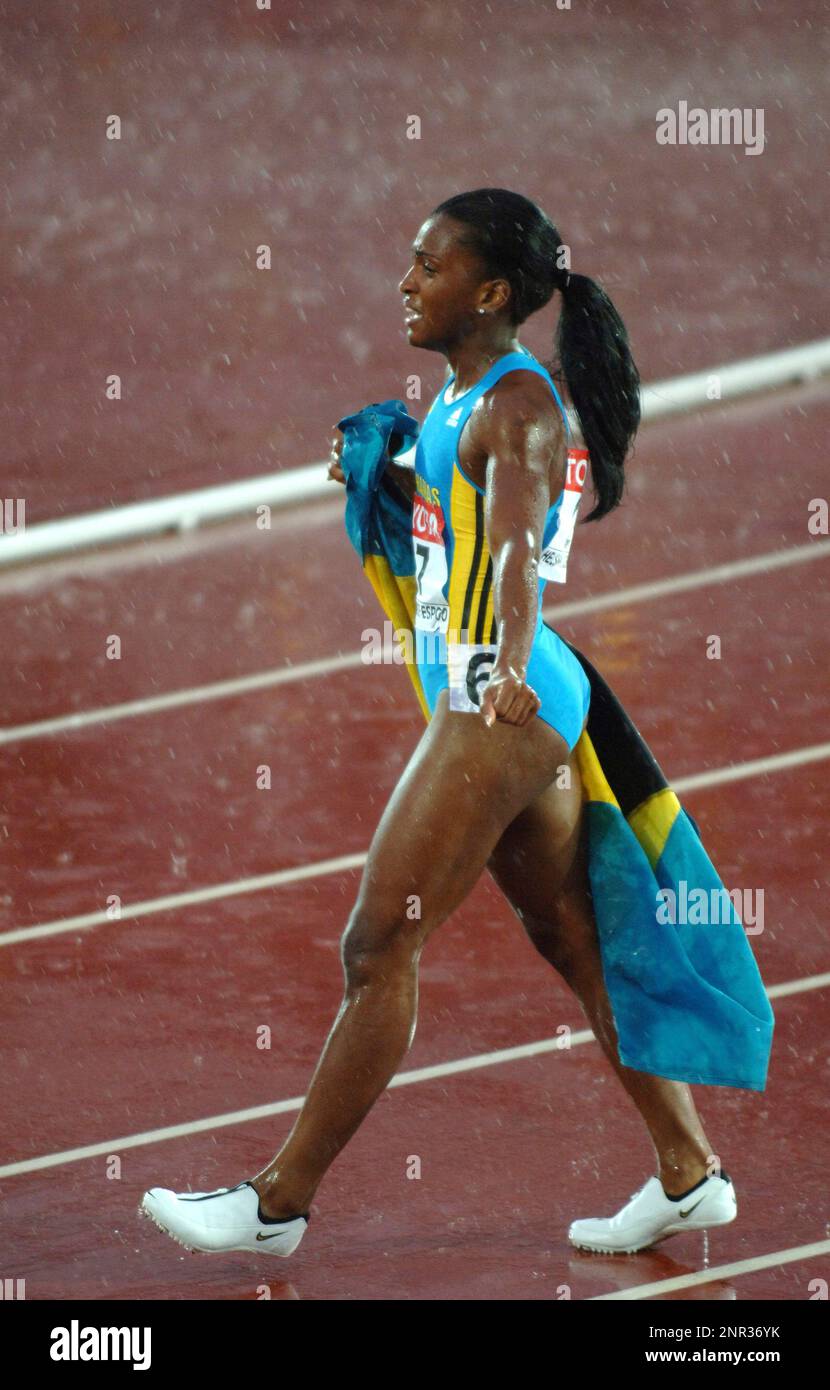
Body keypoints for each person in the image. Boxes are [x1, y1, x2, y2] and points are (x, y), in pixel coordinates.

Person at [141, 188, 736, 1259]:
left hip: (496, 705)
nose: (404, 283)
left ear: (491, 294)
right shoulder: (463, 399)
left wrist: (504, 666)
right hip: (506, 697)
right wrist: (379, 467)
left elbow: (511, 550)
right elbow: (454, 515)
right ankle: (688, 1173)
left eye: (427, 267)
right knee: (571, 937)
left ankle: (275, 1204)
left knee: (377, 943)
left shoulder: (520, 409)